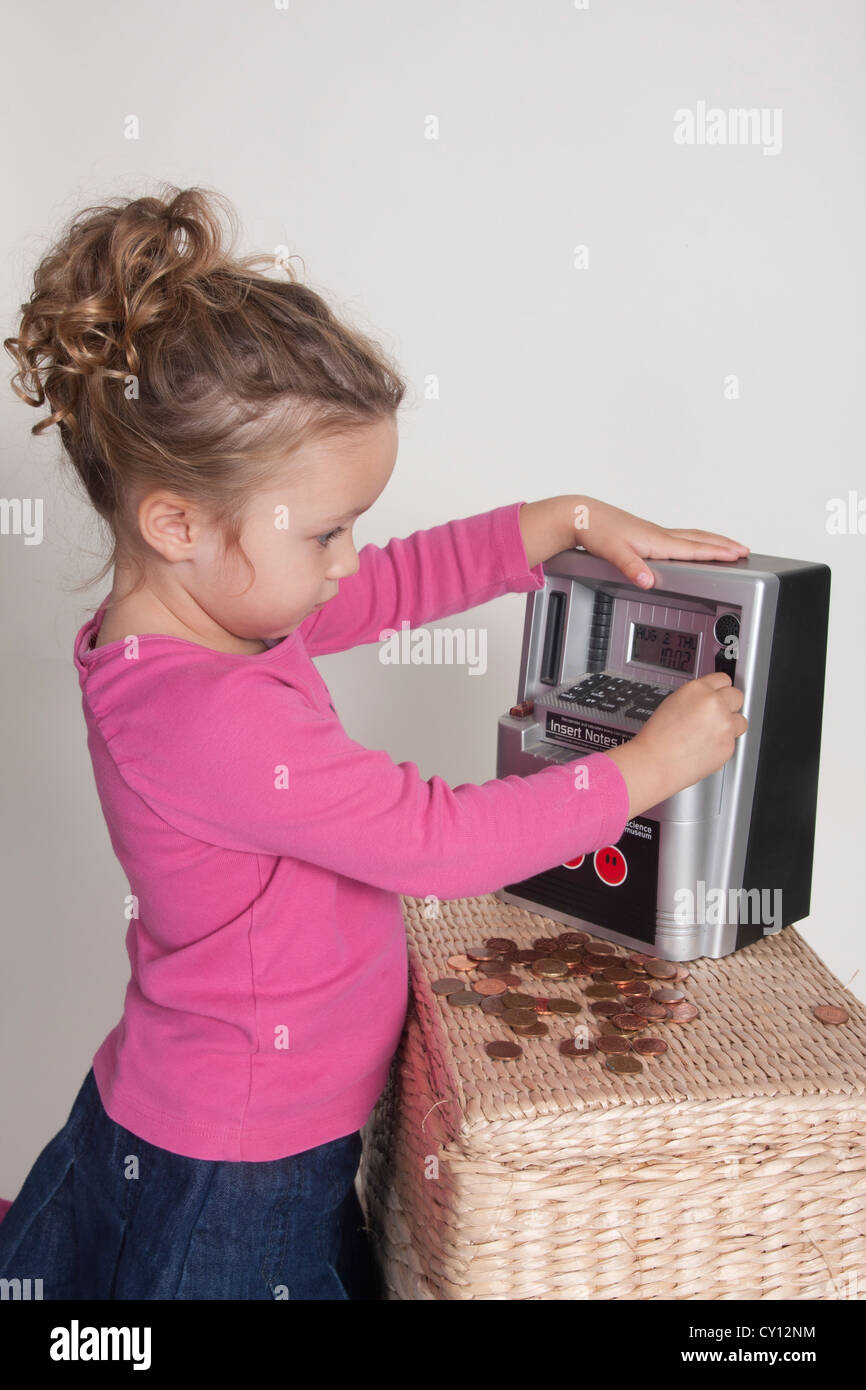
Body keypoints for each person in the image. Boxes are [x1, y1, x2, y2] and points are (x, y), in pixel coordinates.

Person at [0, 185, 748, 1300]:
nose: (352, 558)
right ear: (176, 522)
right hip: (234, 1161)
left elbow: (395, 585)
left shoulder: (217, 621)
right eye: (328, 530)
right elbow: (433, 840)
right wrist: (642, 769)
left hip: (224, 1120)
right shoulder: (213, 715)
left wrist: (564, 520)